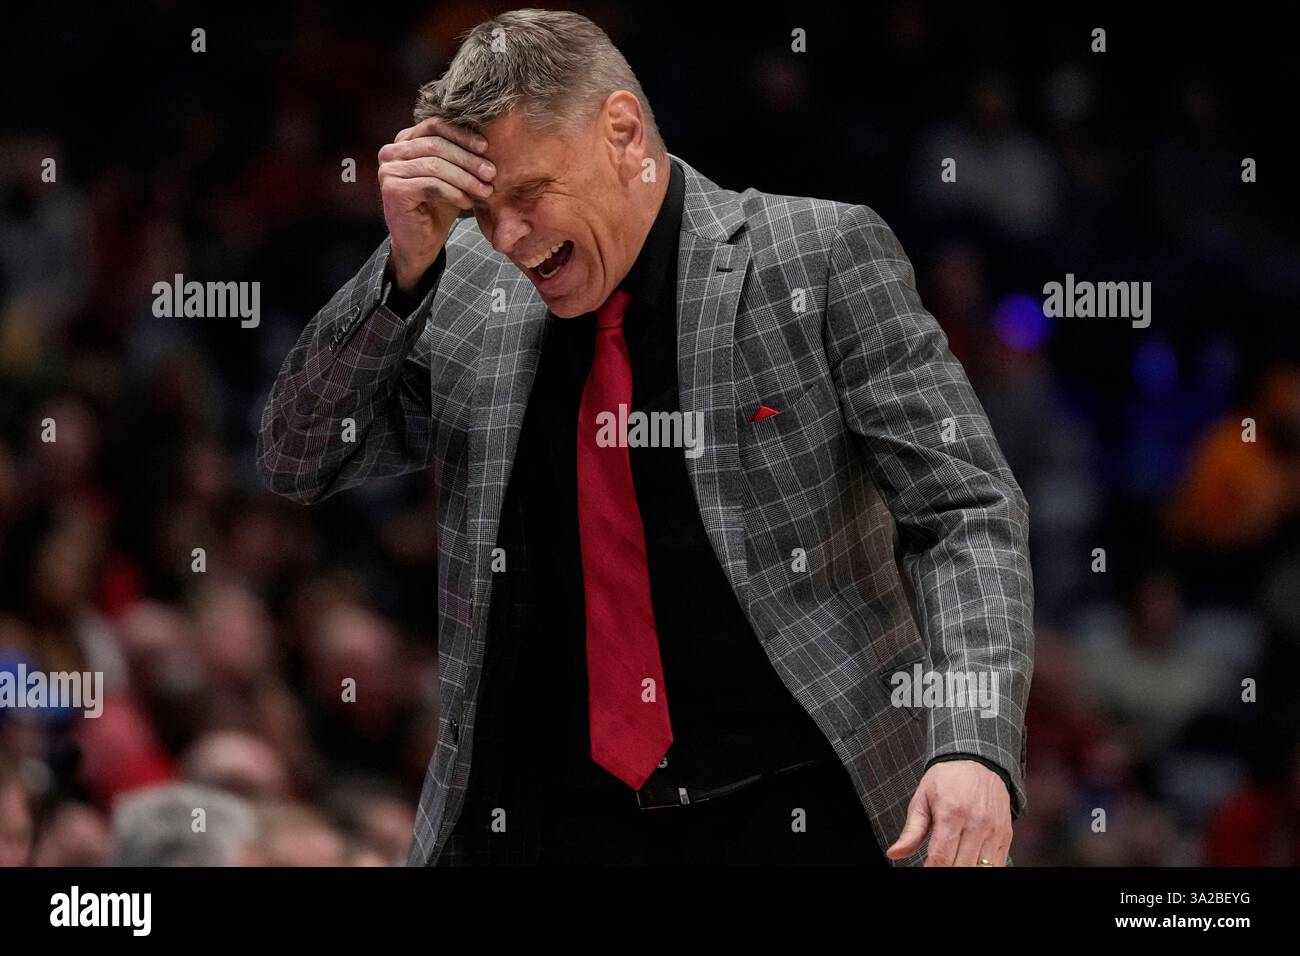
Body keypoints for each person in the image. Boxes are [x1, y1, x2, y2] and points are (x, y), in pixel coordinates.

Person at [257, 8, 1034, 867]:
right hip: (549, 820)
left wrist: (972, 739)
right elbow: (298, 457)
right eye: (483, 210)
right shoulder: (464, 287)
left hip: (800, 809)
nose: (508, 239)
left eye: (528, 194)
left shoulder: (815, 257)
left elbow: (962, 507)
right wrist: (400, 271)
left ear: (622, 130)